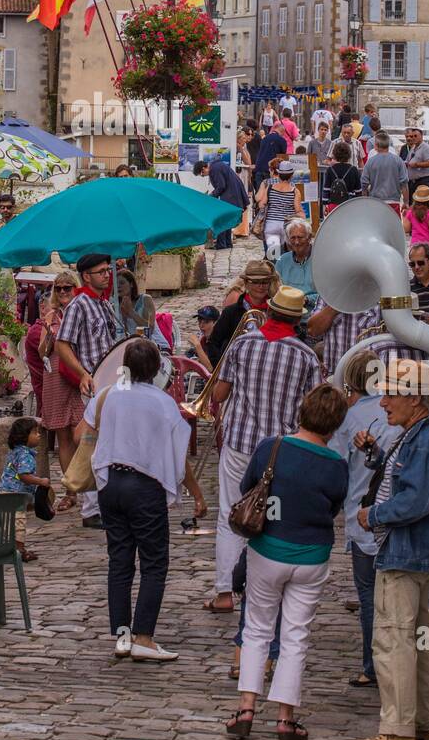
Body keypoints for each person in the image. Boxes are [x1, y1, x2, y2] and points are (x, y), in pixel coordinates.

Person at [226, 383, 348, 740]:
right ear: (334, 425)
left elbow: (247, 488)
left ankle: (246, 706)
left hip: (268, 548)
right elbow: (334, 507)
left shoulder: (271, 448)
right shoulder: (336, 466)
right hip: (311, 555)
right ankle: (285, 717)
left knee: (257, 628)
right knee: (296, 634)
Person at [349, 359, 429, 740]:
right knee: (421, 641)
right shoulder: (420, 434)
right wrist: (375, 454)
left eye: (391, 393)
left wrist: (371, 515)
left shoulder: (426, 439)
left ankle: (397, 729)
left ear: (414, 398)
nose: (383, 403)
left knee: (393, 640)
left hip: (405, 554)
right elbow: (404, 477)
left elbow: (415, 500)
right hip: (414, 553)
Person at [84, 338, 204, 661]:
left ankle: (122, 635)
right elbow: (178, 452)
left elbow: (92, 424)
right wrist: (195, 493)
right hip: (144, 486)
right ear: (156, 369)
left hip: (111, 483)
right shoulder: (161, 403)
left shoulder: (111, 395)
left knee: (120, 561)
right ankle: (144, 637)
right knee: (153, 562)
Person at [205, 286, 321, 613]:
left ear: (269, 311)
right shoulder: (305, 356)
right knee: (272, 518)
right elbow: (313, 411)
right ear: (297, 319)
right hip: (280, 451)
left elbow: (220, 394)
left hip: (240, 443)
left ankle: (225, 591)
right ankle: (262, 592)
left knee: (231, 514)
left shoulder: (242, 343)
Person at [330, 350, 389, 688]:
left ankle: (371, 664)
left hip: (361, 513)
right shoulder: (395, 411)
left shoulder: (351, 418)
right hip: (392, 516)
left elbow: (338, 464)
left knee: (368, 595)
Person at [55, 254, 117, 530]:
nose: (107, 274)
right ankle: (91, 509)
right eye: (101, 271)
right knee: (92, 444)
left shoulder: (103, 303)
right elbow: (63, 344)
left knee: (105, 444)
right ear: (86, 276)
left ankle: (104, 503)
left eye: (107, 270)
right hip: (94, 382)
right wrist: (82, 373)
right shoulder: (79, 305)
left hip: (111, 381)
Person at [38, 273, 86, 507]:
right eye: (59, 288)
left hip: (78, 376)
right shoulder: (52, 315)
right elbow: (41, 353)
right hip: (56, 375)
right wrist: (50, 333)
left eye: (68, 288)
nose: (63, 292)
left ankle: (88, 486)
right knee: (64, 437)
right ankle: (70, 492)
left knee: (83, 433)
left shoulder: (81, 311)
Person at [205, 259, 279, 368]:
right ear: (246, 284)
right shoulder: (231, 312)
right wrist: (222, 369)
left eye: (265, 282)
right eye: (256, 282)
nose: (261, 286)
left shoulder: (276, 311)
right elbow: (213, 343)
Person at [0, 416, 49, 562]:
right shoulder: (26, 455)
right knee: (19, 520)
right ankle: (19, 550)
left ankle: (7, 547)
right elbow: (24, 475)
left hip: (4, 490)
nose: (39, 435)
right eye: (35, 432)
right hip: (15, 493)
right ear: (24, 436)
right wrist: (41, 481)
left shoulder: (15, 451)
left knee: (8, 521)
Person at [307, 297, 380, 380]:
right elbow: (312, 330)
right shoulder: (328, 292)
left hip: (366, 378)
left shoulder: (379, 293)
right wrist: (336, 305)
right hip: (333, 378)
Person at [255, 159, 304, 258]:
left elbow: (261, 204)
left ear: (279, 173)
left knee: (273, 256)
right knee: (287, 255)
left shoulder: (270, 187)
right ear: (291, 175)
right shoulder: (295, 191)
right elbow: (298, 211)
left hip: (271, 225)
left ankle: (275, 271)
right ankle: (284, 271)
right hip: (287, 226)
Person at [274, 220, 318, 316]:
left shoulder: (321, 260)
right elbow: (275, 288)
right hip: (287, 315)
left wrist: (307, 299)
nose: (296, 242)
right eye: (293, 238)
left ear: (309, 237)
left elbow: (329, 295)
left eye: (300, 237)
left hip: (313, 315)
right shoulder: (282, 260)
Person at [360, 131, 409, 212]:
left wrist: (365, 200)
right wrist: (406, 202)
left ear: (376, 145)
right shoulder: (398, 160)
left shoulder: (371, 162)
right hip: (394, 201)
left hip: (376, 201)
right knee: (393, 224)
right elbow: (404, 183)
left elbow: (364, 183)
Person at [208, 160, 249, 250]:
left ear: (204, 168)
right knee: (227, 220)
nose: (205, 175)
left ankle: (221, 244)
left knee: (222, 220)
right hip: (234, 194)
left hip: (230, 195)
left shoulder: (214, 169)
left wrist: (211, 196)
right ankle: (227, 243)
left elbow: (221, 186)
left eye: (203, 174)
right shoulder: (218, 165)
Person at [321, 140, 361, 214]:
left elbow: (326, 189)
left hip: (333, 205)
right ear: (348, 154)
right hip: (349, 204)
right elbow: (358, 191)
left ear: (335, 154)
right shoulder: (353, 169)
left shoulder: (330, 169)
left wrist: (325, 205)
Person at [252, 124, 289, 192]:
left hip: (259, 169)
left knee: (259, 193)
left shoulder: (264, 138)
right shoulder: (281, 140)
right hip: (270, 171)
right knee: (269, 194)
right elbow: (282, 157)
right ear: (283, 131)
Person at [404, 128, 429, 196]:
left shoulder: (426, 148)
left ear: (421, 136)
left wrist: (416, 164)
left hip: (424, 180)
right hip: (413, 181)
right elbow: (408, 161)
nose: (413, 138)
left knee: (422, 204)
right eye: (412, 136)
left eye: (415, 136)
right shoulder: (413, 148)